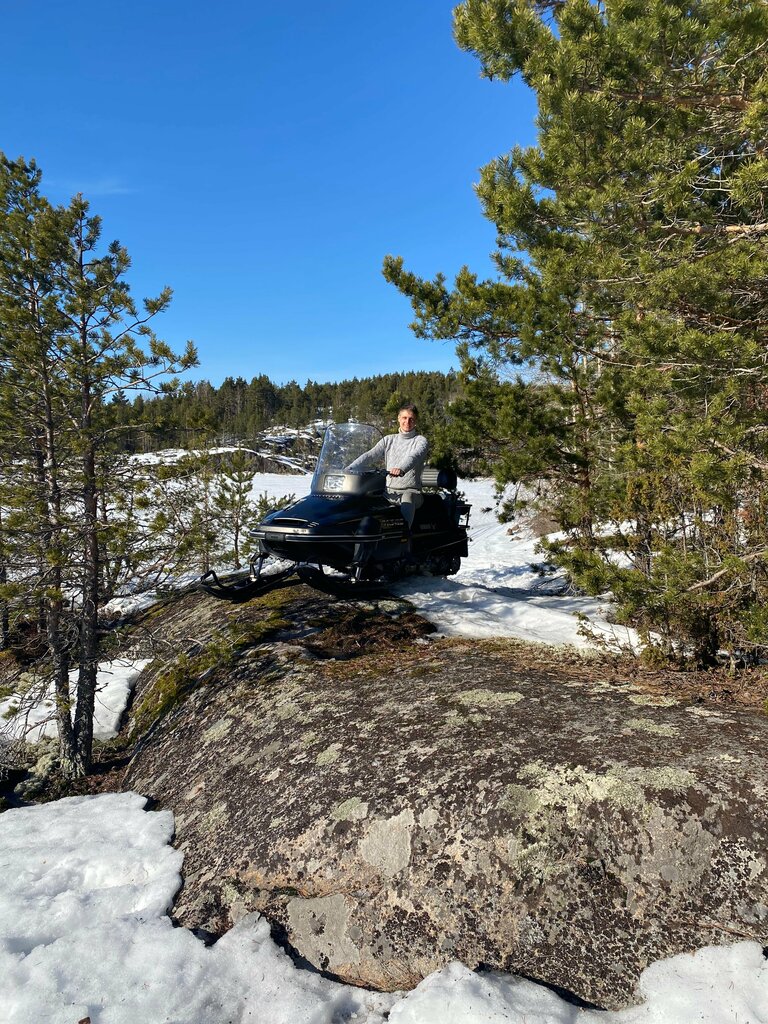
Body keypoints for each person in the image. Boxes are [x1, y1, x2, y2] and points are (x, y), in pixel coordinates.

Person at [347, 404, 429, 528]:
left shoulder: (420, 441)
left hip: (412, 492)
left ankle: (405, 535)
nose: (407, 422)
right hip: (388, 493)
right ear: (399, 419)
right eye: (404, 418)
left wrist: (401, 469)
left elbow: (414, 457)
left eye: (411, 419)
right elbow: (370, 455)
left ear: (416, 421)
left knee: (408, 497)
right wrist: (350, 468)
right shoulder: (388, 440)